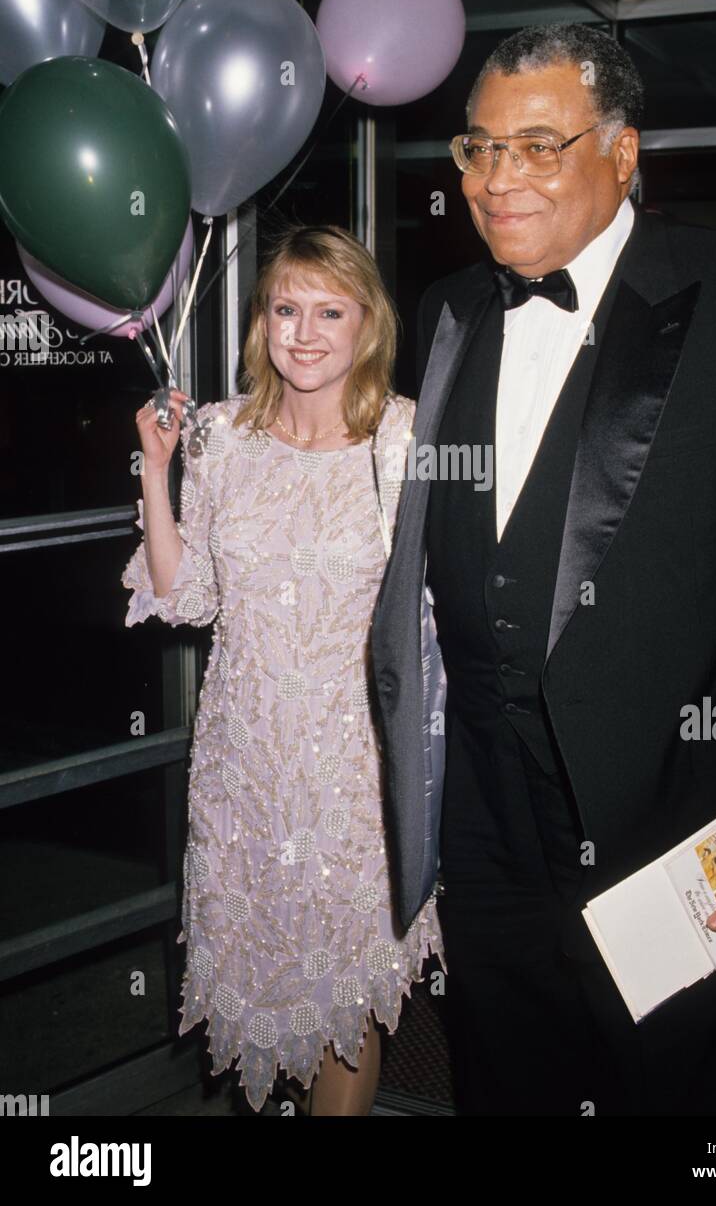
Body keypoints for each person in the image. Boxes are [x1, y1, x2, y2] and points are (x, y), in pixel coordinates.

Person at [370, 24, 716, 1116]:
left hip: (676, 829)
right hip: (484, 829)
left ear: (623, 149)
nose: (497, 178)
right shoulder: (450, 310)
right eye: (477, 148)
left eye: (538, 145)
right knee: (501, 1085)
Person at [122, 223, 444, 1115]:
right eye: (284, 309)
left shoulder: (406, 443)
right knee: (258, 987)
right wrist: (155, 472)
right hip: (243, 775)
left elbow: (439, 617)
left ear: (365, 325)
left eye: (328, 311)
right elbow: (185, 598)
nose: (303, 333)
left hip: (355, 782)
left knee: (345, 1004)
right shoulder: (220, 438)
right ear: (260, 322)